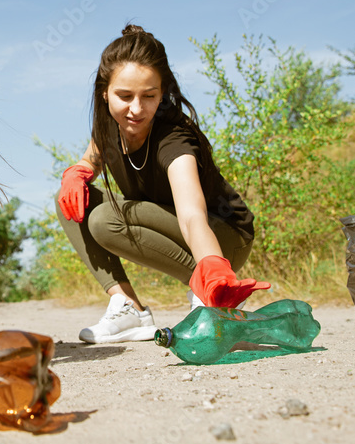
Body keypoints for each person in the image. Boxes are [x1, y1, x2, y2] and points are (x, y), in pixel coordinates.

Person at [56, 24, 270, 344]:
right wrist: (76, 173)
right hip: (172, 227)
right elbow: (91, 160)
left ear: (162, 92)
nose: (137, 109)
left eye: (149, 96)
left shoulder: (174, 141)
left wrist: (212, 266)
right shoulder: (109, 126)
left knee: (105, 219)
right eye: (124, 96)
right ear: (105, 92)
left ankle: (211, 292)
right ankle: (128, 307)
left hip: (223, 236)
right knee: (69, 196)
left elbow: (191, 215)